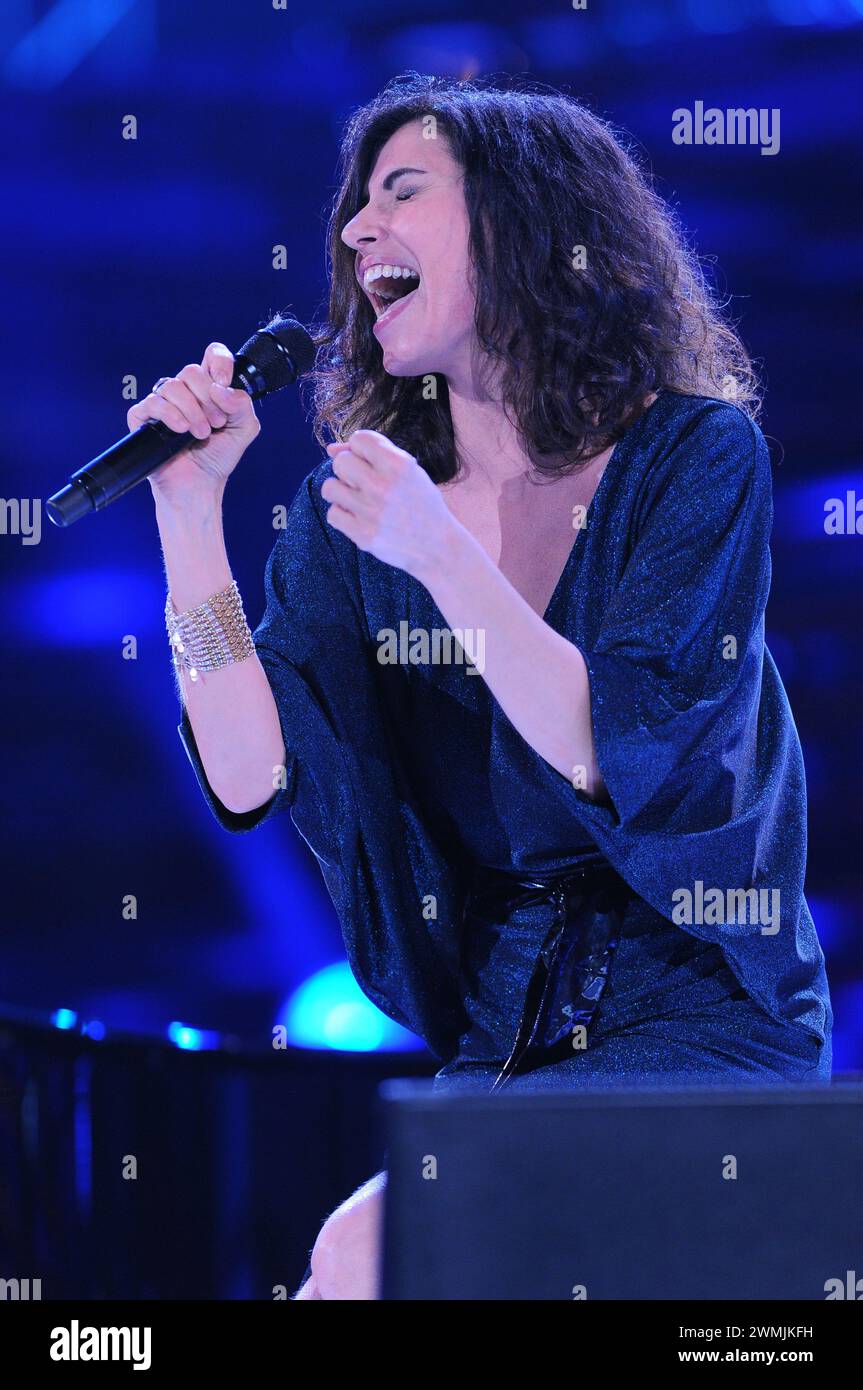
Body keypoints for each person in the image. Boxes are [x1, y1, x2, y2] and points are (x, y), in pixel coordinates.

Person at [130, 75, 832, 1301]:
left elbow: (612, 749)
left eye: (401, 192)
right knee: (349, 1263)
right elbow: (247, 772)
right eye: (353, 207)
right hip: (500, 1032)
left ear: (519, 225)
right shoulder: (355, 516)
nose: (353, 232)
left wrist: (441, 549)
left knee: (365, 1257)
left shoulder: (688, 459)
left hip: (696, 1012)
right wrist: (189, 519)